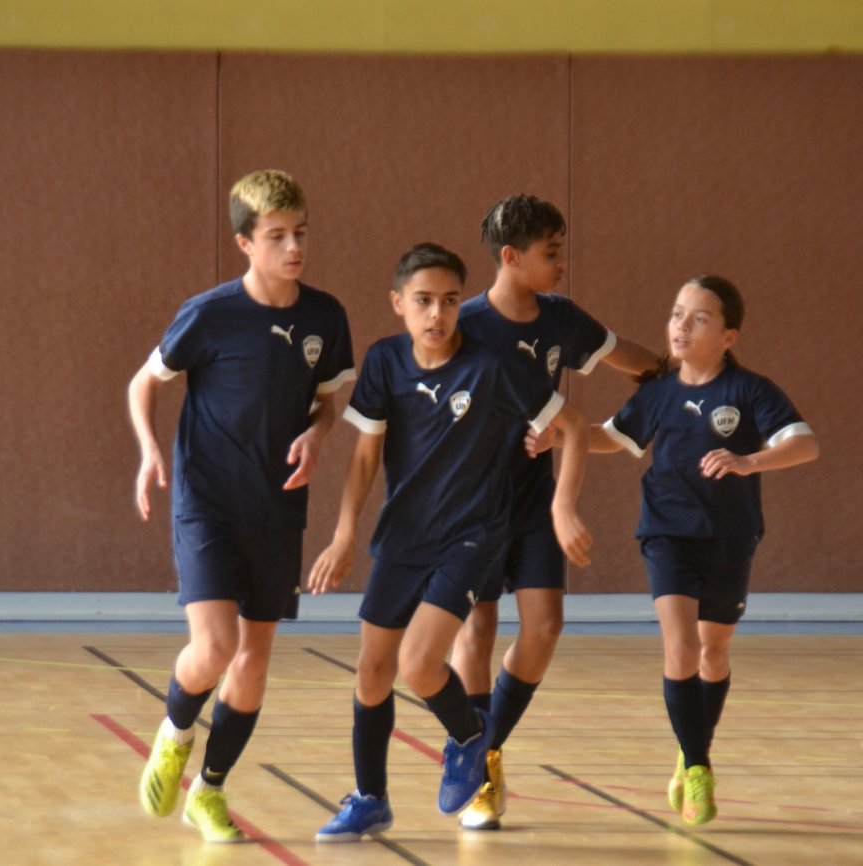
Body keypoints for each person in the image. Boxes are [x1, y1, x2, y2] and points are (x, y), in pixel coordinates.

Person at [307, 242, 592, 842]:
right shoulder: (385, 362)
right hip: (402, 538)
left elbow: (573, 426)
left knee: (418, 664)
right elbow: (365, 458)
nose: (437, 314)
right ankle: (370, 798)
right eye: (423, 301)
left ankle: (470, 737)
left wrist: (562, 506)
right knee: (372, 671)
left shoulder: (493, 366)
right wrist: (343, 535)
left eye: (449, 301)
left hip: (471, 538)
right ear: (398, 305)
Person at [127, 169, 355, 842]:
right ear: (244, 243)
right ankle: (174, 734)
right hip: (207, 499)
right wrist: (148, 452)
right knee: (216, 645)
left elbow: (327, 400)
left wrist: (317, 435)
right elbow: (145, 381)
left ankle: (211, 789)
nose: (294, 247)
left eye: (301, 233)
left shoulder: (325, 316)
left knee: (254, 658)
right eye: (278, 236)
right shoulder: (211, 312)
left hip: (277, 506)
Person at [541, 274, 818, 825]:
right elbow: (612, 438)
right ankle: (697, 766)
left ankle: (691, 748)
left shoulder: (751, 391)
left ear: (729, 335)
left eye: (699, 318)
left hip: (732, 537)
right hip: (666, 534)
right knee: (682, 650)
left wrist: (748, 461)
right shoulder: (657, 392)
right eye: (675, 314)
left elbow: (804, 444)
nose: (681, 326)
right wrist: (560, 433)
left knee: (714, 653)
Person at [449, 193, 663, 830]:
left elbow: (630, 357)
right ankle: (477, 767)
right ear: (511, 258)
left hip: (534, 497)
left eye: (561, 249)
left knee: (543, 627)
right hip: (470, 503)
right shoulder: (465, 326)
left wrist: (678, 371)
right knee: (478, 628)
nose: (561, 262)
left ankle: (485, 748)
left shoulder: (561, 320)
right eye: (551, 253)